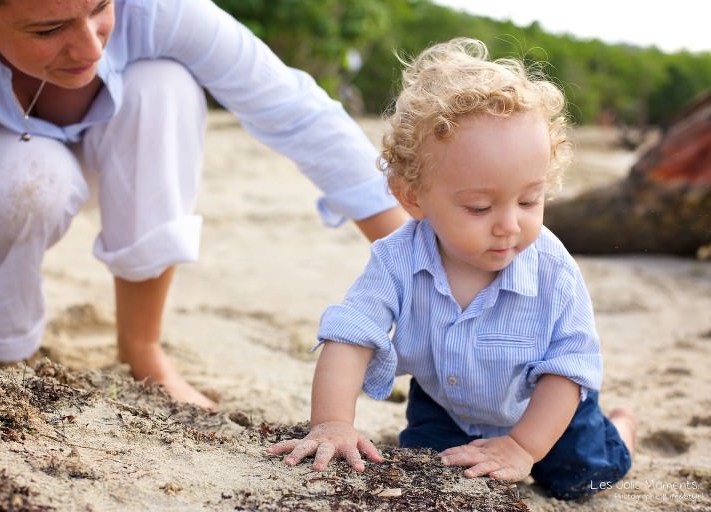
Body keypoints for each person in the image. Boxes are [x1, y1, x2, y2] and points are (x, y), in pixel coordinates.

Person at [0, 0, 407, 411]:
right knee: (31, 177)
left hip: (99, 154)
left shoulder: (155, 9)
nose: (90, 49)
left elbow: (298, 114)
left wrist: (412, 256)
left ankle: (142, 348)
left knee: (164, 84)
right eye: (48, 30)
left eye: (100, 7)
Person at [268, 37, 637, 500]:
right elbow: (350, 337)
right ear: (413, 197)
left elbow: (568, 368)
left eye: (529, 200)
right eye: (480, 207)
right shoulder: (397, 259)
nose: (509, 225)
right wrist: (333, 423)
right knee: (430, 474)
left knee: (583, 479)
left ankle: (620, 429)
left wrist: (522, 447)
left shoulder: (552, 269)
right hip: (445, 407)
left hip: (547, 410)